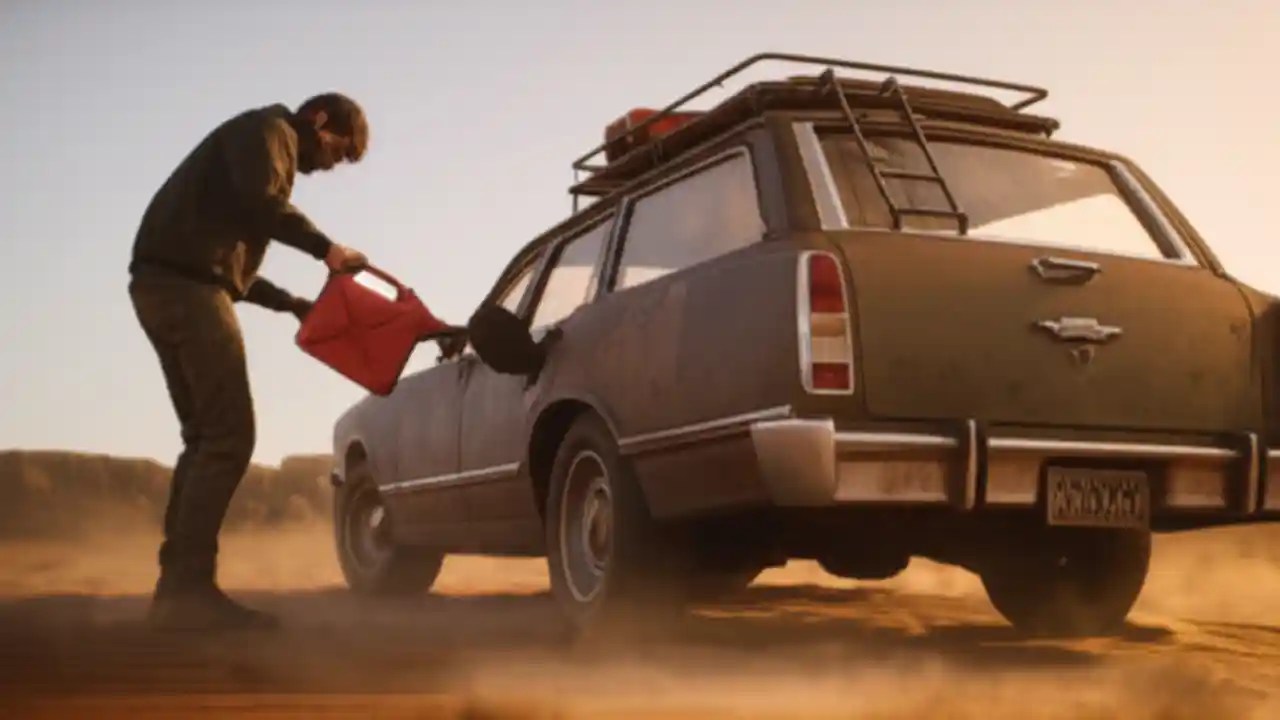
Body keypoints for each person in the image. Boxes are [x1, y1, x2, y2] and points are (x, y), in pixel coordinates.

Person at [127, 93, 371, 631]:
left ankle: (177, 593)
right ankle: (187, 593)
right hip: (185, 290)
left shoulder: (255, 150)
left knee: (205, 437)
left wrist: (291, 305)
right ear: (320, 121)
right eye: (340, 152)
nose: (332, 166)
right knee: (230, 436)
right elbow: (261, 205)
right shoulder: (270, 133)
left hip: (168, 284)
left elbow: (231, 268)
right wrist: (326, 249)